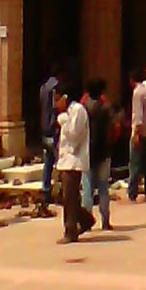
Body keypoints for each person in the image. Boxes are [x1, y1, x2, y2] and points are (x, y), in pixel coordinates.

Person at [54, 88, 92, 244]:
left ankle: (70, 231)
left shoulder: (77, 110)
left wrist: (63, 119)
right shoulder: (68, 112)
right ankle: (85, 219)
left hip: (74, 160)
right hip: (65, 160)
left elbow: (74, 135)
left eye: (58, 98)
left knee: (69, 197)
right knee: (65, 196)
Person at [84, 78, 115, 230]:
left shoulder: (83, 108)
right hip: (103, 151)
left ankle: (86, 221)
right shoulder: (106, 108)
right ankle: (105, 221)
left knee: (87, 188)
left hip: (87, 152)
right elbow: (113, 128)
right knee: (103, 187)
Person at [127, 69, 146, 203]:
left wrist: (136, 133)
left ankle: (132, 193)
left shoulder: (137, 93)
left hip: (139, 132)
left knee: (135, 163)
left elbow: (137, 115)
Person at [38, 65, 62, 217]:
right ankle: (61, 190)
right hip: (53, 128)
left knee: (48, 161)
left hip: (44, 126)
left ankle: (46, 189)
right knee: (60, 159)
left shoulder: (43, 88)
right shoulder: (55, 88)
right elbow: (54, 108)